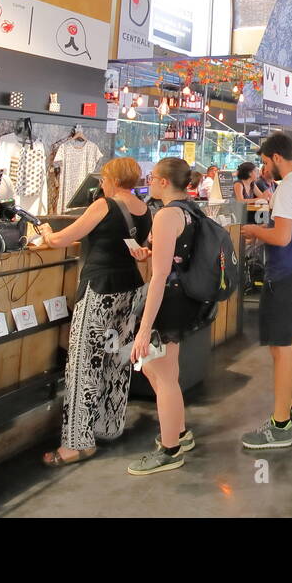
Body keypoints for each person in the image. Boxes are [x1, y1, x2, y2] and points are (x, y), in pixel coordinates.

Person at [36, 157, 151, 467]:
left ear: (110, 179)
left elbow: (63, 239)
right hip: (129, 289)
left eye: (103, 178)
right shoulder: (145, 209)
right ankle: (108, 426)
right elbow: (137, 249)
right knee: (117, 360)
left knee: (84, 364)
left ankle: (75, 444)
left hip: (99, 290)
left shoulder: (104, 205)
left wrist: (46, 233)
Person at [122, 157, 209, 475]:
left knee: (161, 373)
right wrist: (151, 253)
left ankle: (170, 449)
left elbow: (158, 277)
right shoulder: (191, 210)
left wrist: (144, 329)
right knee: (159, 371)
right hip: (184, 299)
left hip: (167, 301)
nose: (149, 181)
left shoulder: (166, 215)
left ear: (161, 181)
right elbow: (177, 257)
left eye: (152, 177)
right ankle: (179, 432)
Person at [241, 132, 292, 449]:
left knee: (280, 347)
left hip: (283, 276)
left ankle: (280, 424)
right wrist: (267, 234)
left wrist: (255, 231)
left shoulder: (287, 187)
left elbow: (283, 237)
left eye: (264, 162)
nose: (263, 170)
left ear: (276, 157)